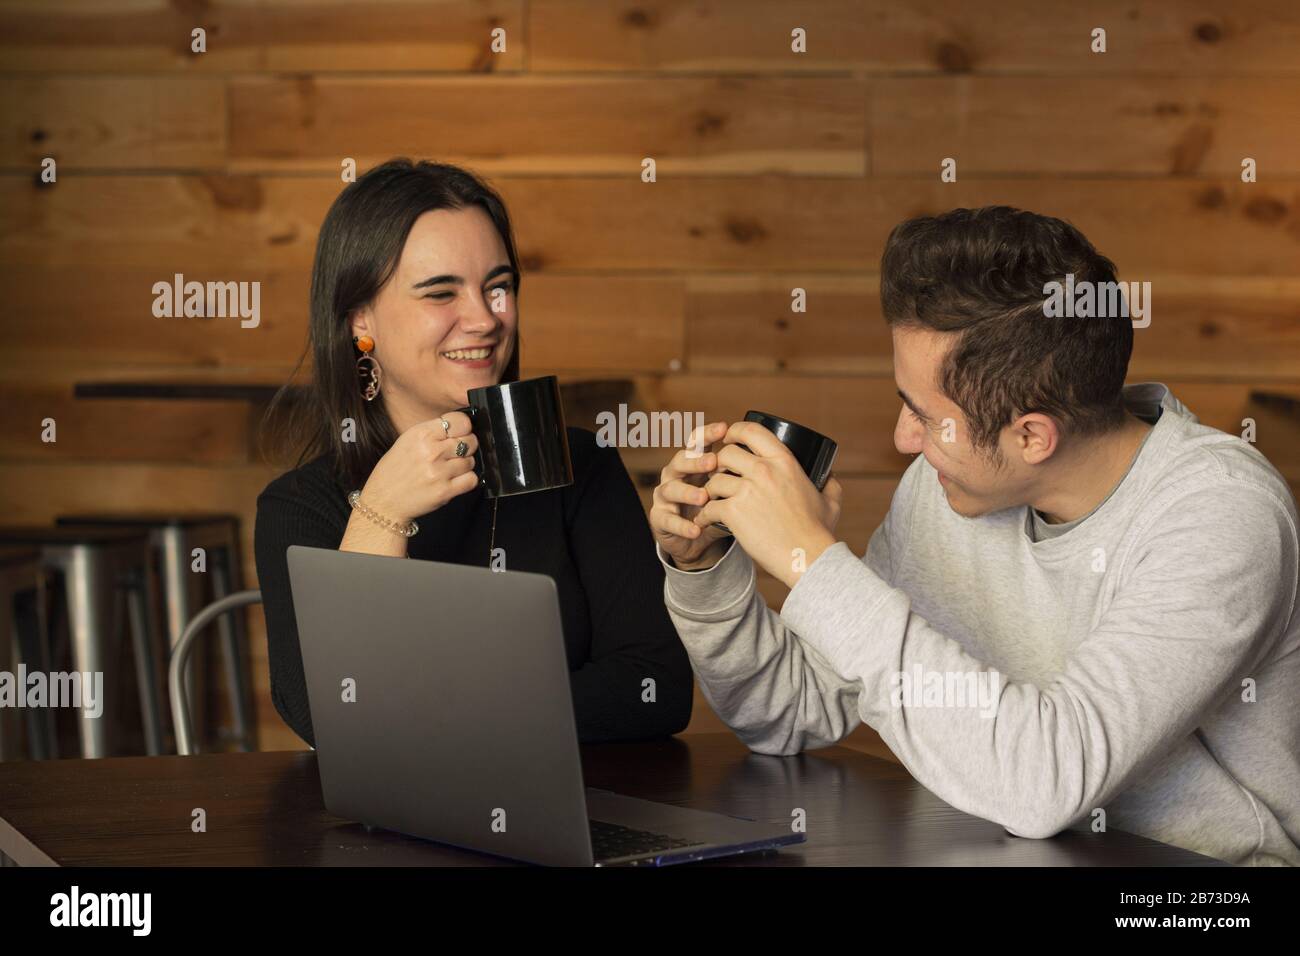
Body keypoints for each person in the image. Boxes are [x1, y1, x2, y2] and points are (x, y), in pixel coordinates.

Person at [650, 206, 1299, 865]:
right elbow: (787, 714)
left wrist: (815, 564)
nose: (905, 440)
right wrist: (704, 569)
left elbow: (1047, 781)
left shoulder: (1221, 515)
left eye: (926, 417)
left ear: (1032, 437)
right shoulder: (947, 491)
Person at [255, 158, 692, 748]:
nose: (485, 319)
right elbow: (329, 712)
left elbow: (655, 689)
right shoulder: (299, 507)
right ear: (361, 322)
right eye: (441, 292)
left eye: (499, 287)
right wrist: (380, 515)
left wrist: (434, 715)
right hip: (395, 830)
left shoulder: (580, 466)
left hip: (583, 816)